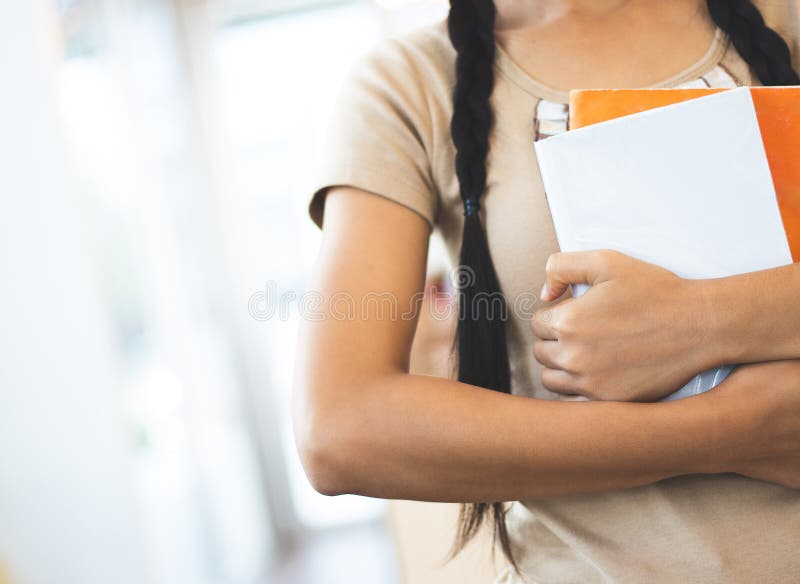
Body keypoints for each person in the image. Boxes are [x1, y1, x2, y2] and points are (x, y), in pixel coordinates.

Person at [293, 1, 800, 582]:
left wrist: (702, 320)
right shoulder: (407, 83)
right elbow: (339, 428)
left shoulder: (786, 16)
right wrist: (726, 433)